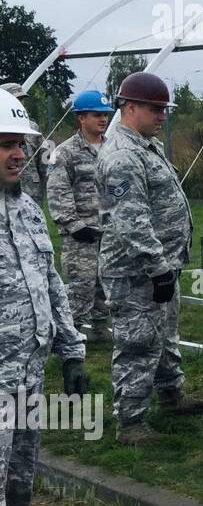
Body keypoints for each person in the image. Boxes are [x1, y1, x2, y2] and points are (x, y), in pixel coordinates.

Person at [0, 86, 86, 506]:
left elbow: (51, 282)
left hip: (26, 384)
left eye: (20, 144)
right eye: (4, 144)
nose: (15, 154)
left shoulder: (27, 209)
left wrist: (73, 350)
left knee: (18, 487)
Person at [96, 72, 203, 444]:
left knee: (164, 335)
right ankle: (130, 422)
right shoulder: (122, 155)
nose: (163, 115)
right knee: (138, 342)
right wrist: (156, 265)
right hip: (136, 272)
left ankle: (171, 395)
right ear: (129, 108)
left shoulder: (145, 145)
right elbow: (132, 218)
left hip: (160, 266)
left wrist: (165, 265)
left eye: (165, 109)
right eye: (155, 108)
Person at [47, 89, 114, 343]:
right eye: (97, 115)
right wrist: (74, 225)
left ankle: (99, 328)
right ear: (81, 118)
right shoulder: (64, 153)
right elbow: (57, 191)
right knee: (81, 287)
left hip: (108, 231)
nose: (103, 120)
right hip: (80, 235)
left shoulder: (112, 148)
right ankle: (67, 334)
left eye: (105, 115)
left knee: (105, 283)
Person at [1, 83, 52, 206]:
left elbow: (47, 152)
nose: (19, 103)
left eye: (21, 100)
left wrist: (51, 178)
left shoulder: (32, 127)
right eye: (15, 99)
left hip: (31, 192)